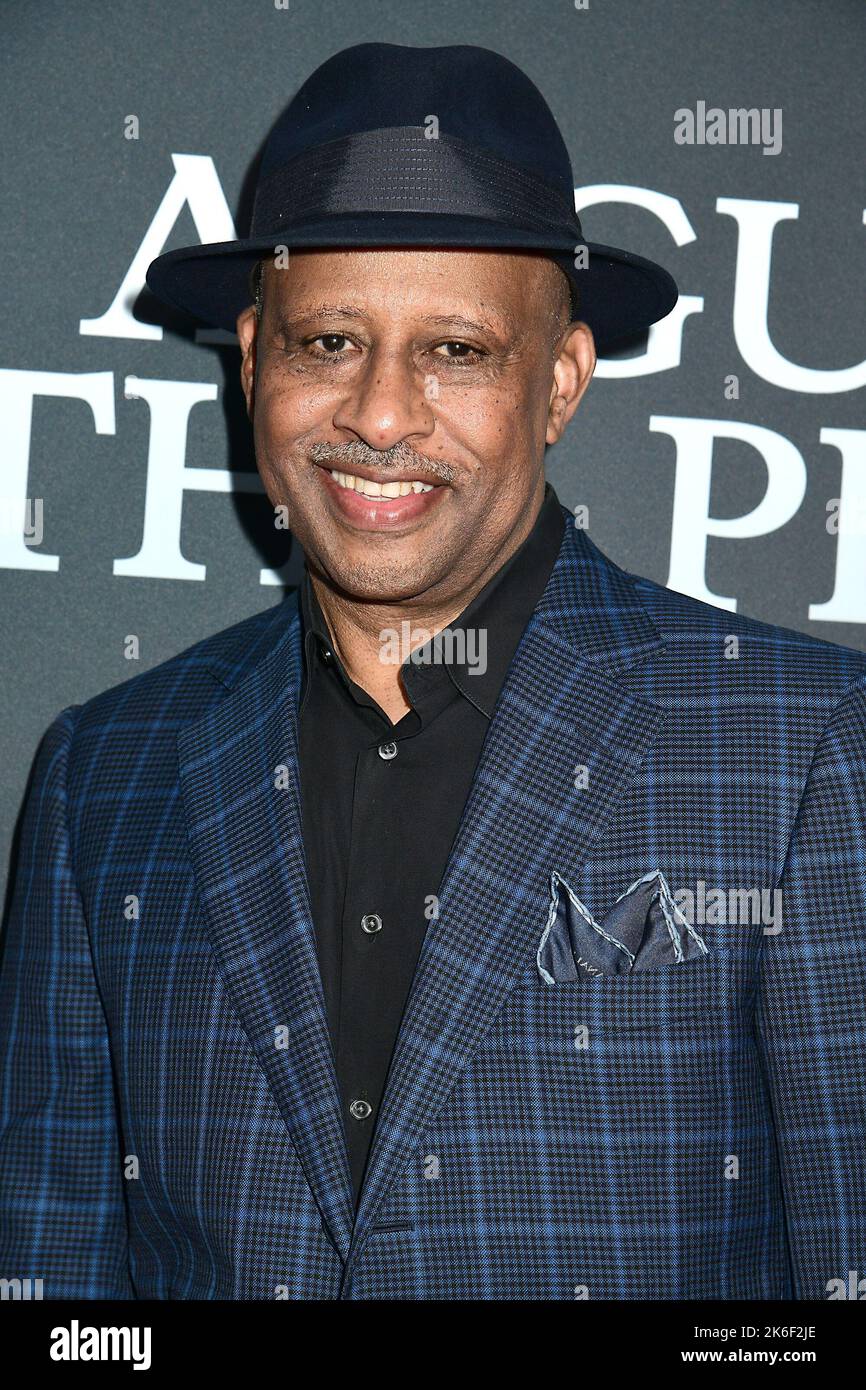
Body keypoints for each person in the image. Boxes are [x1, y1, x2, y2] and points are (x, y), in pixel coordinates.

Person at [1, 42, 863, 1301]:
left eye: (455, 351)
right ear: (254, 360)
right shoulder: (104, 775)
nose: (381, 414)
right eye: (329, 341)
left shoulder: (798, 747)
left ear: (558, 382)